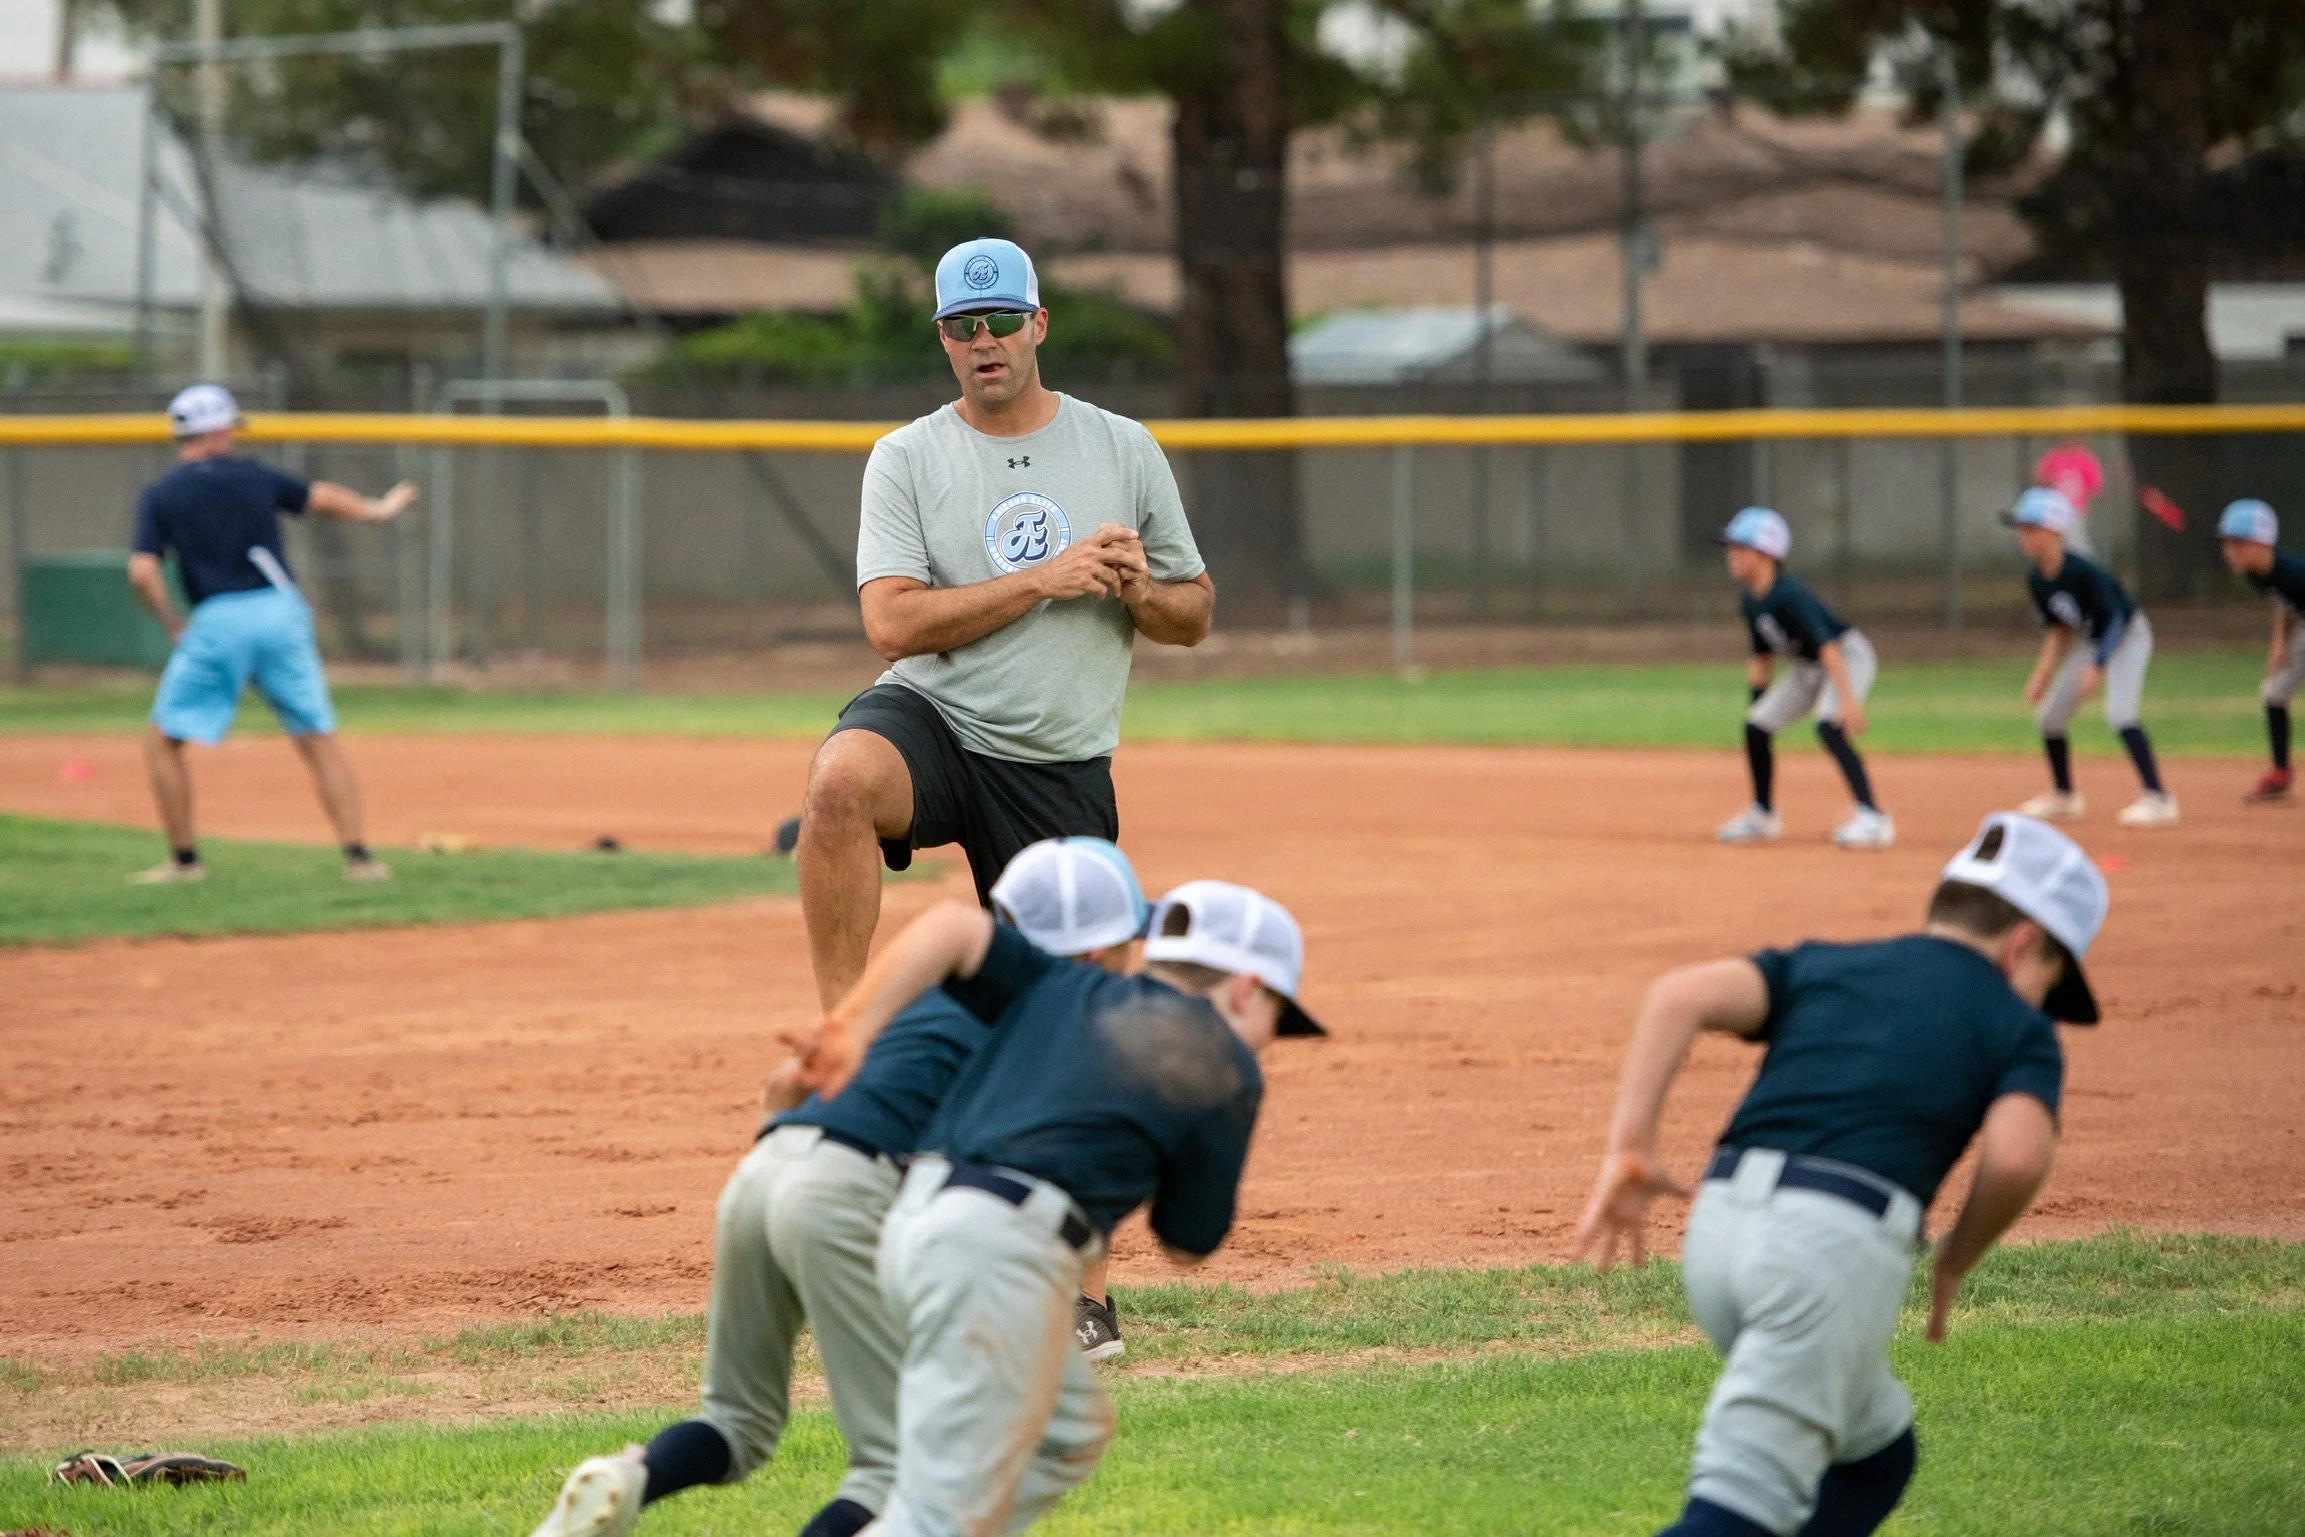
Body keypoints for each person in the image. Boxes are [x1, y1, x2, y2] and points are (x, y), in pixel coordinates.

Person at [526, 838, 1153, 1537]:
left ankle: (627, 1475)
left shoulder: (935, 992)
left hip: (765, 1170)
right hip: (844, 1194)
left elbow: (781, 1088)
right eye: (1130, 940)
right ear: (1098, 952)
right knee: (892, 1472)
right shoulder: (1061, 1022)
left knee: (735, 1421)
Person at [1575, 811, 2109, 1537]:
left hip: (1717, 1232)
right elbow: (2017, 1154)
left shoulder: (1831, 962)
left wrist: (1630, 1147)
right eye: (2051, 978)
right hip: (1824, 1253)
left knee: (1875, 1455)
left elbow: (1678, 994)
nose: (2043, 1001)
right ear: (2023, 945)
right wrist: (1957, 1254)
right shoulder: (2016, 1025)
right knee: (1731, 1514)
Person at [781, 879, 1320, 1537]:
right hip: (992, 1252)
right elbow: (1187, 1239)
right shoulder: (1223, 1061)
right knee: (933, 1508)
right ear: (1244, 988)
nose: (1268, 1040)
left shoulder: (1066, 985)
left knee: (1067, 1430)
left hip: (910, 1223)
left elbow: (953, 923)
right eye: (1275, 1015)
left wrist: (849, 1022)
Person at [794, 235, 1213, 1010]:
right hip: (938, 722)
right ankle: (843, 1033)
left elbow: (1193, 614)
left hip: (1056, 759)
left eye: (1001, 319)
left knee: (1058, 1013)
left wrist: (1140, 591)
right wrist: (1040, 581)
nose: (983, 340)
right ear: (944, 340)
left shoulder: (1123, 447)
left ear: (1039, 325)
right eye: (963, 325)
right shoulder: (906, 456)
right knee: (840, 781)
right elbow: (889, 624)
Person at [125, 383, 416, 883]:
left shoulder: (161, 495)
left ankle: (185, 862)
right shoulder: (256, 476)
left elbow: (142, 573)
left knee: (163, 742)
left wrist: (173, 623)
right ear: (218, 430)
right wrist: (376, 510)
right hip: (279, 612)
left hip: (217, 621)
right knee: (316, 738)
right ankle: (360, 859)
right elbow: (321, 497)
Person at [1711, 507, 1893, 850]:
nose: (1730, 555)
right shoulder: (1751, 599)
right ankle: (1762, 816)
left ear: (1766, 555)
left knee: (1829, 725)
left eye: (1740, 548)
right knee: (1755, 727)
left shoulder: (1788, 594)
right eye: (1730, 547)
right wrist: (1759, 712)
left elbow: (1829, 648)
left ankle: (1873, 817)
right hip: (1810, 667)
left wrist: (1849, 703)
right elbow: (1761, 658)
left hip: (1846, 656)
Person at [2005, 487, 2178, 827]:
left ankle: (2159, 799)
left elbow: (2116, 617)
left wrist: (2098, 666)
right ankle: (2064, 797)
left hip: (2127, 635)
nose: (2021, 535)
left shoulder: (2084, 572)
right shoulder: (2038, 578)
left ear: (2054, 531)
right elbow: (2059, 628)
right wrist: (2043, 671)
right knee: (2050, 719)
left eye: (2030, 528)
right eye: (2020, 529)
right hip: (2091, 641)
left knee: (2120, 712)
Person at [2216, 498, 2305, 803]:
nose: (2230, 550)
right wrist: (2280, 643)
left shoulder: (2295, 572)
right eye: (2227, 542)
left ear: (2264, 542)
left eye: (2239, 542)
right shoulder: (2256, 572)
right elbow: (2285, 601)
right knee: (2274, 692)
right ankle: (2280, 774)